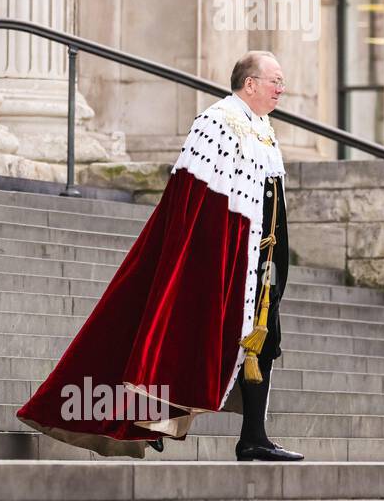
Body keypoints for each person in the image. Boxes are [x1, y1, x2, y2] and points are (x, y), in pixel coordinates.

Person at [16, 51, 304, 462]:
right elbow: (193, 200)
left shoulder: (264, 129)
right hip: (225, 258)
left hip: (262, 261)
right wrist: (212, 260)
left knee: (263, 345)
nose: (281, 88)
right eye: (275, 80)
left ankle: (253, 437)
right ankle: (144, 422)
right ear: (250, 83)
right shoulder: (216, 121)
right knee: (183, 336)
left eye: (282, 81)